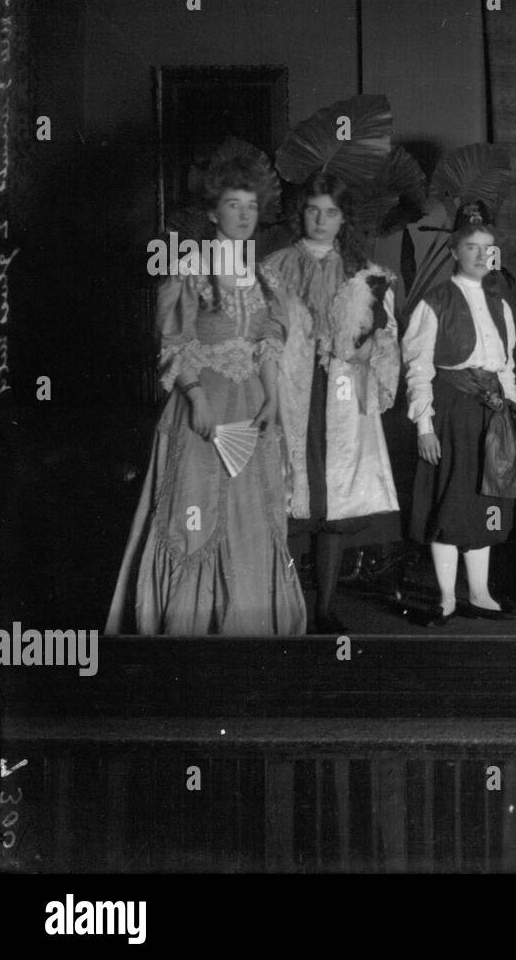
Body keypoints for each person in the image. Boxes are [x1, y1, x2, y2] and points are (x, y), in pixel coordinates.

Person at [107, 154, 307, 635]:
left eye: (251, 206)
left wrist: (274, 399)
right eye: (233, 205)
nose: (243, 215)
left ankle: (250, 624)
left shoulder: (266, 278)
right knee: (195, 512)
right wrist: (195, 398)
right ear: (213, 214)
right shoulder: (190, 267)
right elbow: (173, 342)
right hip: (203, 407)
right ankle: (188, 626)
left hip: (254, 408)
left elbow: (268, 345)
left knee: (253, 511)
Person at [260, 173, 402, 633]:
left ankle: (324, 608)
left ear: (344, 219)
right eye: (312, 210)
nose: (320, 221)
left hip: (340, 393)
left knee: (333, 503)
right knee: (288, 493)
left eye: (331, 212)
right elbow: (260, 334)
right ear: (300, 212)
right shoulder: (274, 267)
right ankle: (282, 606)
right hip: (290, 390)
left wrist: (367, 346)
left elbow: (386, 337)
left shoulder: (363, 273)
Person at [401, 201, 516, 626]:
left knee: (485, 501)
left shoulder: (501, 307)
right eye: (471, 247)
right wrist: (425, 425)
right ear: (455, 250)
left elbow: (505, 368)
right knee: (450, 503)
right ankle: (445, 600)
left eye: (487, 248)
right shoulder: (434, 302)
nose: (480, 255)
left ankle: (480, 594)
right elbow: (418, 369)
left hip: (492, 415)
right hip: (451, 413)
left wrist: (512, 414)